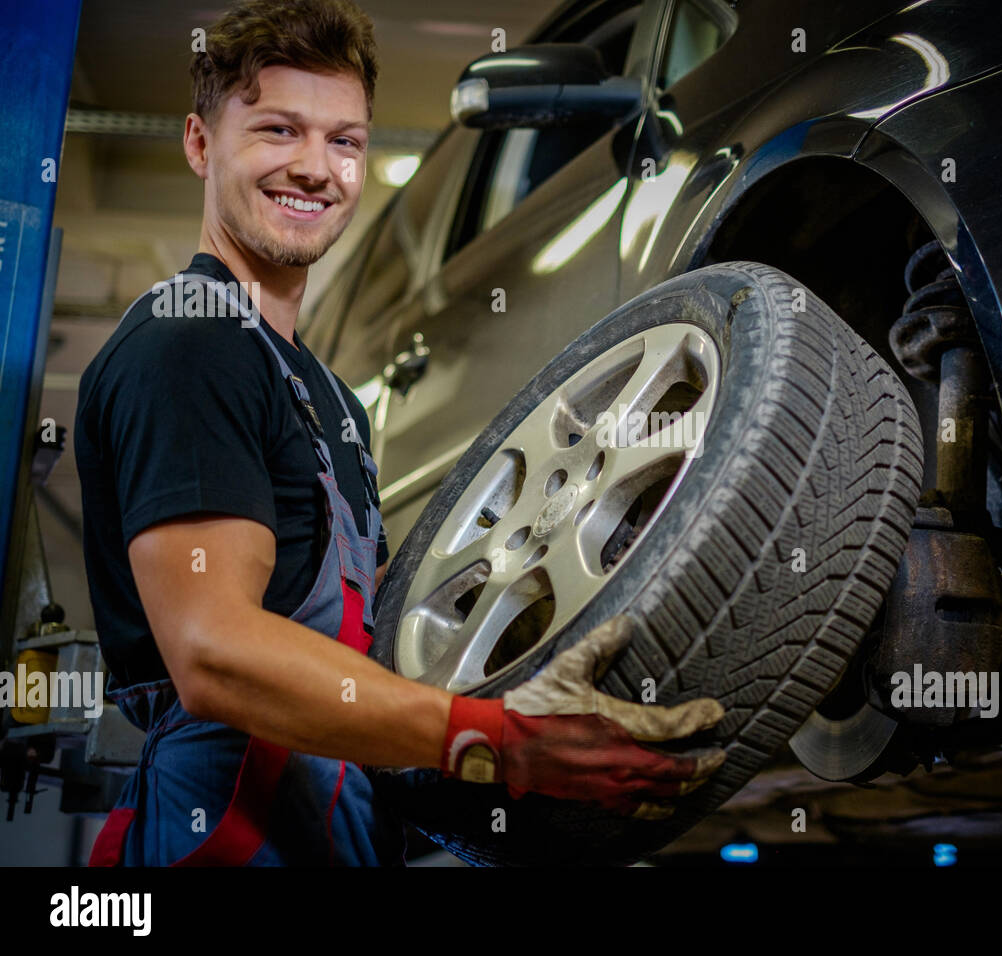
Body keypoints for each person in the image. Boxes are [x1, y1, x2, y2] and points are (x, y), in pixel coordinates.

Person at [74, 0, 725, 867]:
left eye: (344, 141)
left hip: (336, 825)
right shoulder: (190, 341)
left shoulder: (330, 396)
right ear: (200, 144)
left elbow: (373, 628)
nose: (315, 168)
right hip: (214, 834)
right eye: (278, 130)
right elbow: (214, 653)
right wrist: (495, 737)